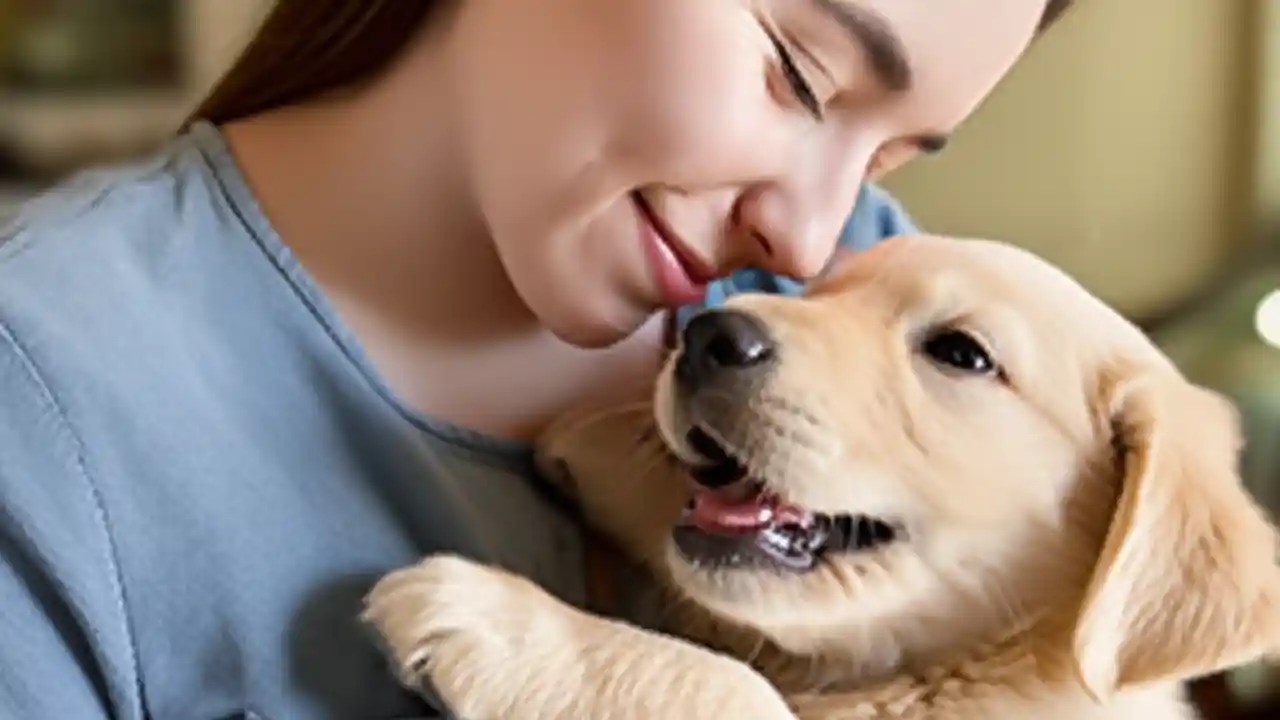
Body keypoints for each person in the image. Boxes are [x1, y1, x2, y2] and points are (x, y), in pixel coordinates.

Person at [0, 1, 1073, 717]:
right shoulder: (49, 401)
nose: (805, 239)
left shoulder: (870, 296)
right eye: (796, 74)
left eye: (884, 151)